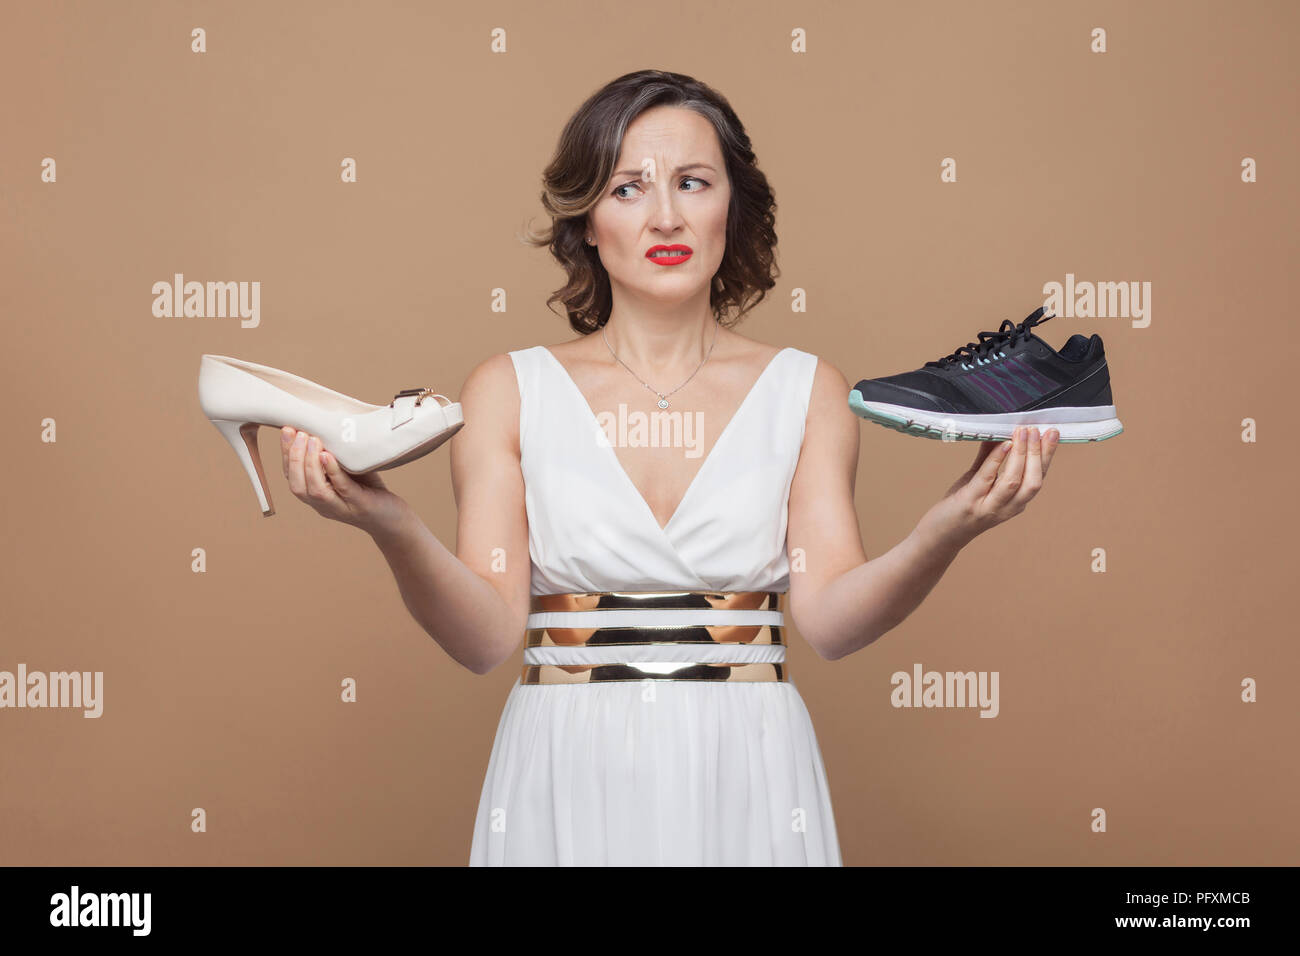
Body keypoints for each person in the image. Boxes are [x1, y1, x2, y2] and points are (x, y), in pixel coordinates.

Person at [275, 69, 1059, 866]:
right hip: (563, 764)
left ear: (733, 207)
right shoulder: (509, 389)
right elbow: (485, 640)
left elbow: (829, 623)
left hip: (750, 766)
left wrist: (946, 529)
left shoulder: (807, 389)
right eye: (628, 189)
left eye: (692, 182)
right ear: (585, 221)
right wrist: (390, 524)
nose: (665, 215)